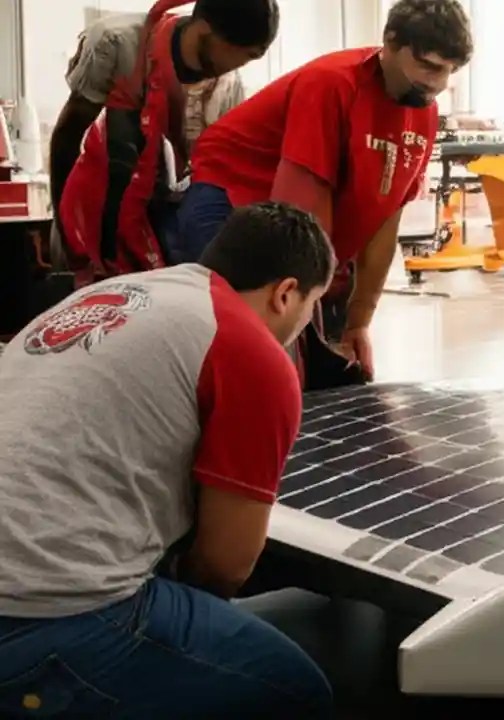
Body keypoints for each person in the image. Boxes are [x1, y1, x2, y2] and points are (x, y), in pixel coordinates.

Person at [0, 202, 337, 718]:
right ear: (286, 293)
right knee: (299, 690)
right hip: (47, 614)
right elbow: (225, 565)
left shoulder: (114, 295)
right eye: (311, 306)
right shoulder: (251, 351)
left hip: (23, 587)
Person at [178, 0, 473, 387]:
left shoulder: (424, 111)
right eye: (429, 66)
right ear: (390, 42)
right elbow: (299, 211)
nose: (438, 83)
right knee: (257, 348)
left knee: (320, 361)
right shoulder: (331, 84)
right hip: (230, 195)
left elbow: (384, 220)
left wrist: (359, 321)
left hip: (305, 220)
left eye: (450, 70)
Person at [52, 0, 277, 283]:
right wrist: (65, 231)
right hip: (94, 209)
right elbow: (67, 137)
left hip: (166, 226)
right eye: (246, 55)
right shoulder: (120, 46)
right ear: (205, 30)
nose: (241, 65)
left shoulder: (228, 88)